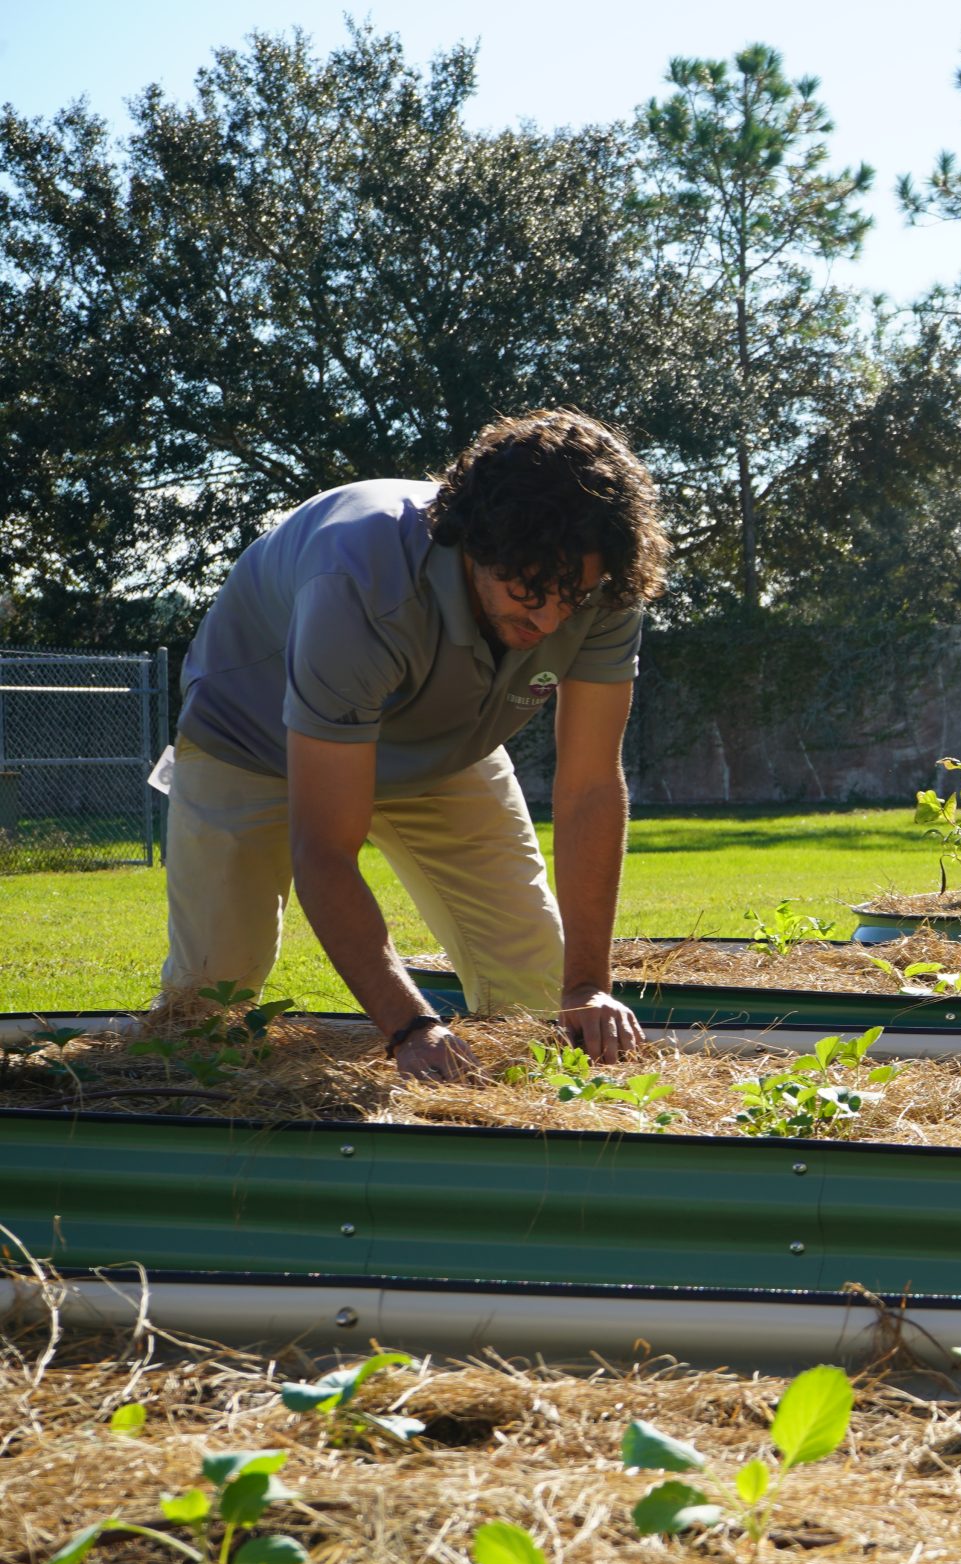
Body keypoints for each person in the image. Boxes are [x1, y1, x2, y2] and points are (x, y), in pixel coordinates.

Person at [162, 409, 669, 1081]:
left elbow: (589, 787)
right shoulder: (360, 582)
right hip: (251, 743)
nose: (549, 619)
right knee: (211, 1003)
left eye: (569, 597)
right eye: (529, 590)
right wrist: (411, 1025)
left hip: (443, 750)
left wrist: (588, 985)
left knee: (539, 994)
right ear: (473, 544)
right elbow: (325, 847)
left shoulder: (602, 589)